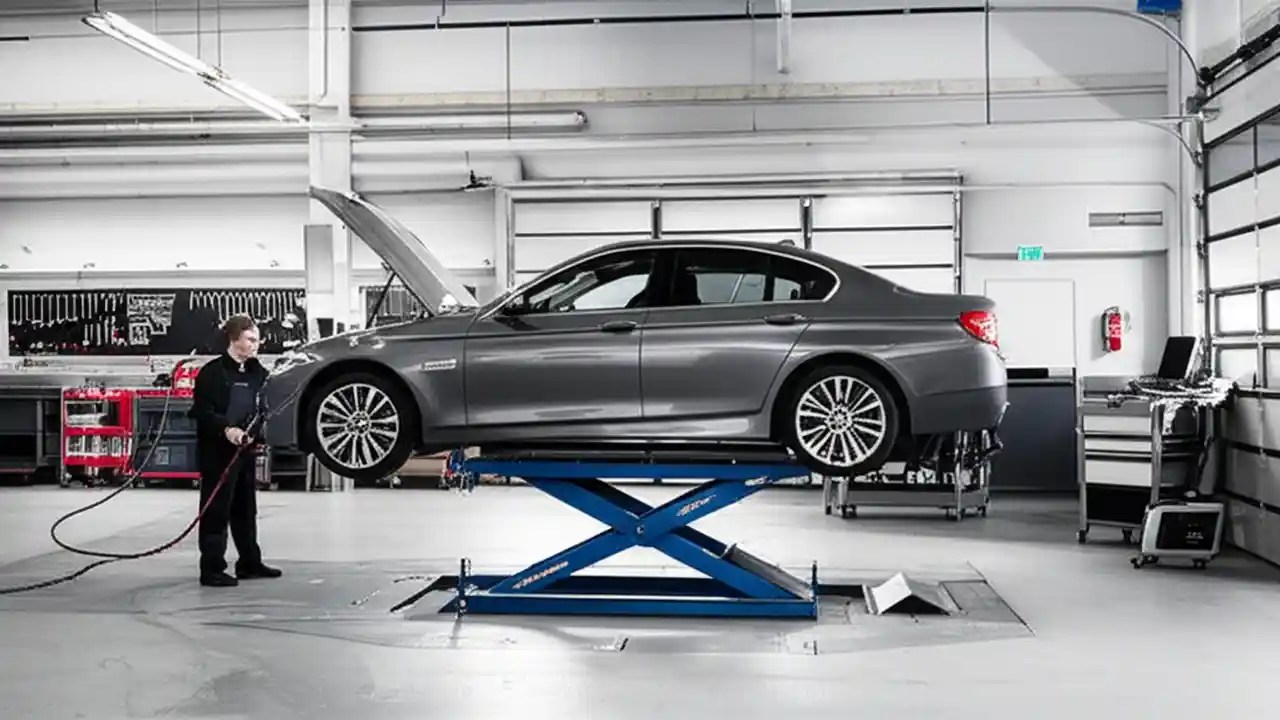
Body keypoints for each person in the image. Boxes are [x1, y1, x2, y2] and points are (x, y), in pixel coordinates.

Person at [188, 314, 282, 587]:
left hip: (245, 450)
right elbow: (203, 412)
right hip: (217, 452)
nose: (256, 345)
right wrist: (226, 429)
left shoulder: (258, 372)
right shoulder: (212, 374)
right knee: (216, 510)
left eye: (258, 340)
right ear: (234, 339)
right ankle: (212, 568)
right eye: (251, 339)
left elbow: (267, 403)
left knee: (245, 509)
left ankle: (249, 562)